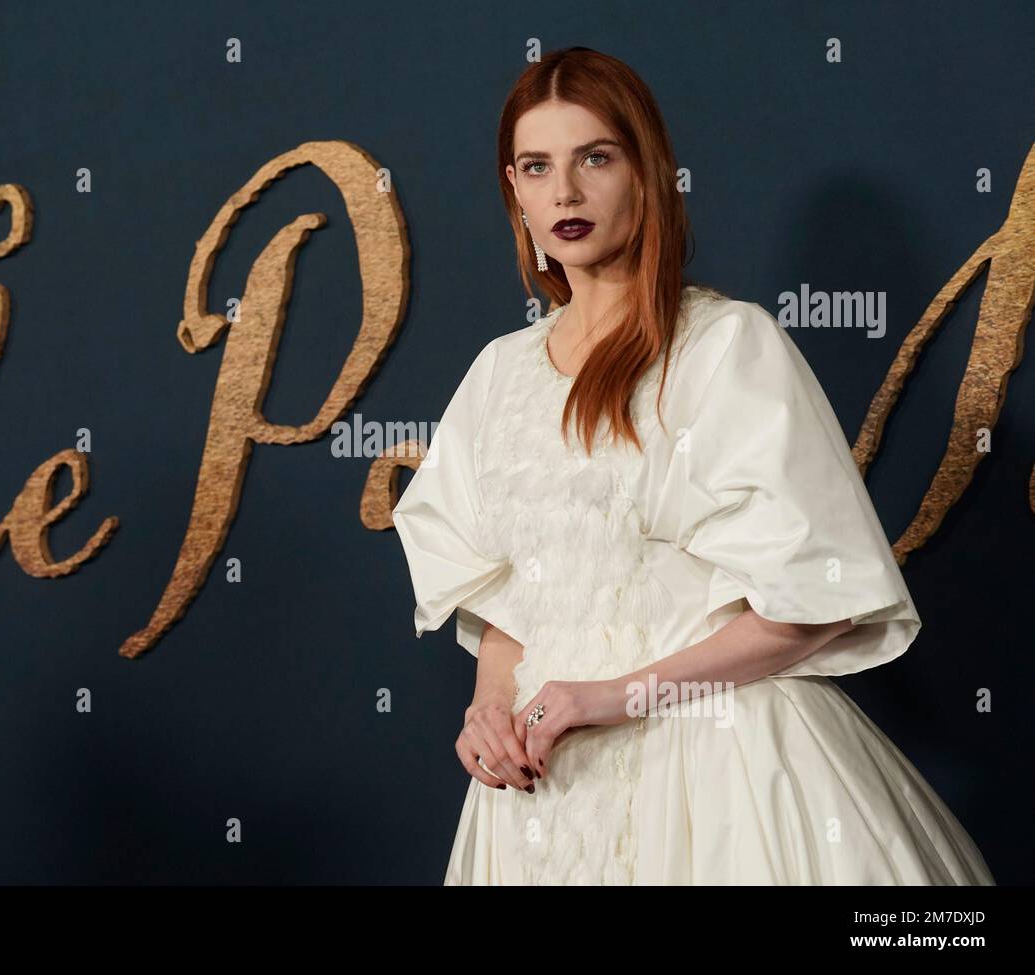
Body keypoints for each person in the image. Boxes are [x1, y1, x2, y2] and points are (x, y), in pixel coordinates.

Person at [390, 47, 995, 885]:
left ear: (648, 177)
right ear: (515, 191)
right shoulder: (499, 372)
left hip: (721, 769)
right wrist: (490, 709)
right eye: (538, 166)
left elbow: (810, 605)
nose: (565, 191)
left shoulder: (726, 345)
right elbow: (507, 598)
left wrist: (614, 695)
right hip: (539, 796)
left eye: (594, 157)